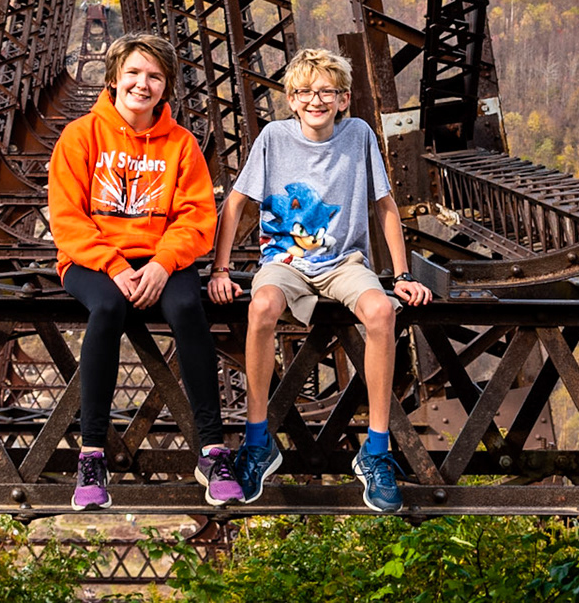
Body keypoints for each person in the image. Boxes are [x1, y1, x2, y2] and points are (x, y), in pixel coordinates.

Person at [208, 47, 432, 512]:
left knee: (381, 312)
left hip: (344, 263)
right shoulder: (273, 137)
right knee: (262, 307)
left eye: (327, 92)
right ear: (291, 99)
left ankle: (376, 450)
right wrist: (220, 269)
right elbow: (235, 203)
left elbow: (385, 205)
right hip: (285, 261)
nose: (316, 100)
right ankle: (257, 441)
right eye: (305, 92)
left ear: (344, 99)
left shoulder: (359, 134)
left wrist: (402, 275)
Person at [47, 32, 242, 509]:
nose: (142, 84)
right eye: (133, 72)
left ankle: (212, 450)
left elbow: (197, 217)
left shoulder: (182, 144)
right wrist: (114, 265)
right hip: (93, 260)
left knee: (187, 307)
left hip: (161, 257)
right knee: (108, 308)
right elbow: (67, 218)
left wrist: (161, 263)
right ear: (113, 78)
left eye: (154, 76)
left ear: (166, 86)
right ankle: (92, 455)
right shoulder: (80, 136)